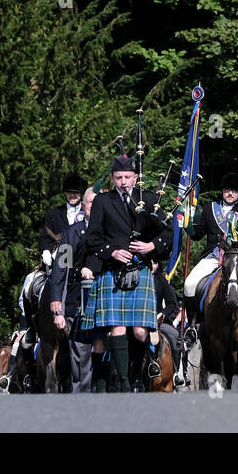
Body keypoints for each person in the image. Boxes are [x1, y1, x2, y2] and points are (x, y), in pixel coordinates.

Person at [83, 156, 165, 392]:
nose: (123, 182)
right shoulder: (102, 202)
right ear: (112, 178)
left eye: (127, 177)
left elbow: (169, 234)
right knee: (116, 327)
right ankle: (124, 383)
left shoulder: (149, 200)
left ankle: (137, 374)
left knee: (140, 332)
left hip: (140, 269)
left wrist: (152, 246)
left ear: (135, 178)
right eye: (118, 178)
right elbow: (92, 238)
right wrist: (113, 252)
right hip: (113, 270)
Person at [48, 185, 98, 392]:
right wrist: (56, 301)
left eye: (99, 203)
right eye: (91, 203)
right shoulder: (71, 234)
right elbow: (61, 268)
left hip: (104, 297)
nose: (94, 207)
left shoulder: (110, 231)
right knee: (79, 352)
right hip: (77, 300)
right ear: (83, 205)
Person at [184, 173, 238, 303]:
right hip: (214, 256)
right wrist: (190, 226)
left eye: (234, 191)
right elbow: (198, 235)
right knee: (189, 284)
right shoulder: (208, 208)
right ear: (222, 191)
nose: (230, 194)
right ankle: (194, 321)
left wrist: (235, 250)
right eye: (227, 190)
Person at [39, 173, 86, 260]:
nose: (72, 195)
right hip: (59, 259)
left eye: (75, 192)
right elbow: (44, 237)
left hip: (82, 259)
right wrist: (45, 251)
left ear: (81, 193)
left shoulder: (87, 213)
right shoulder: (53, 213)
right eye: (69, 192)